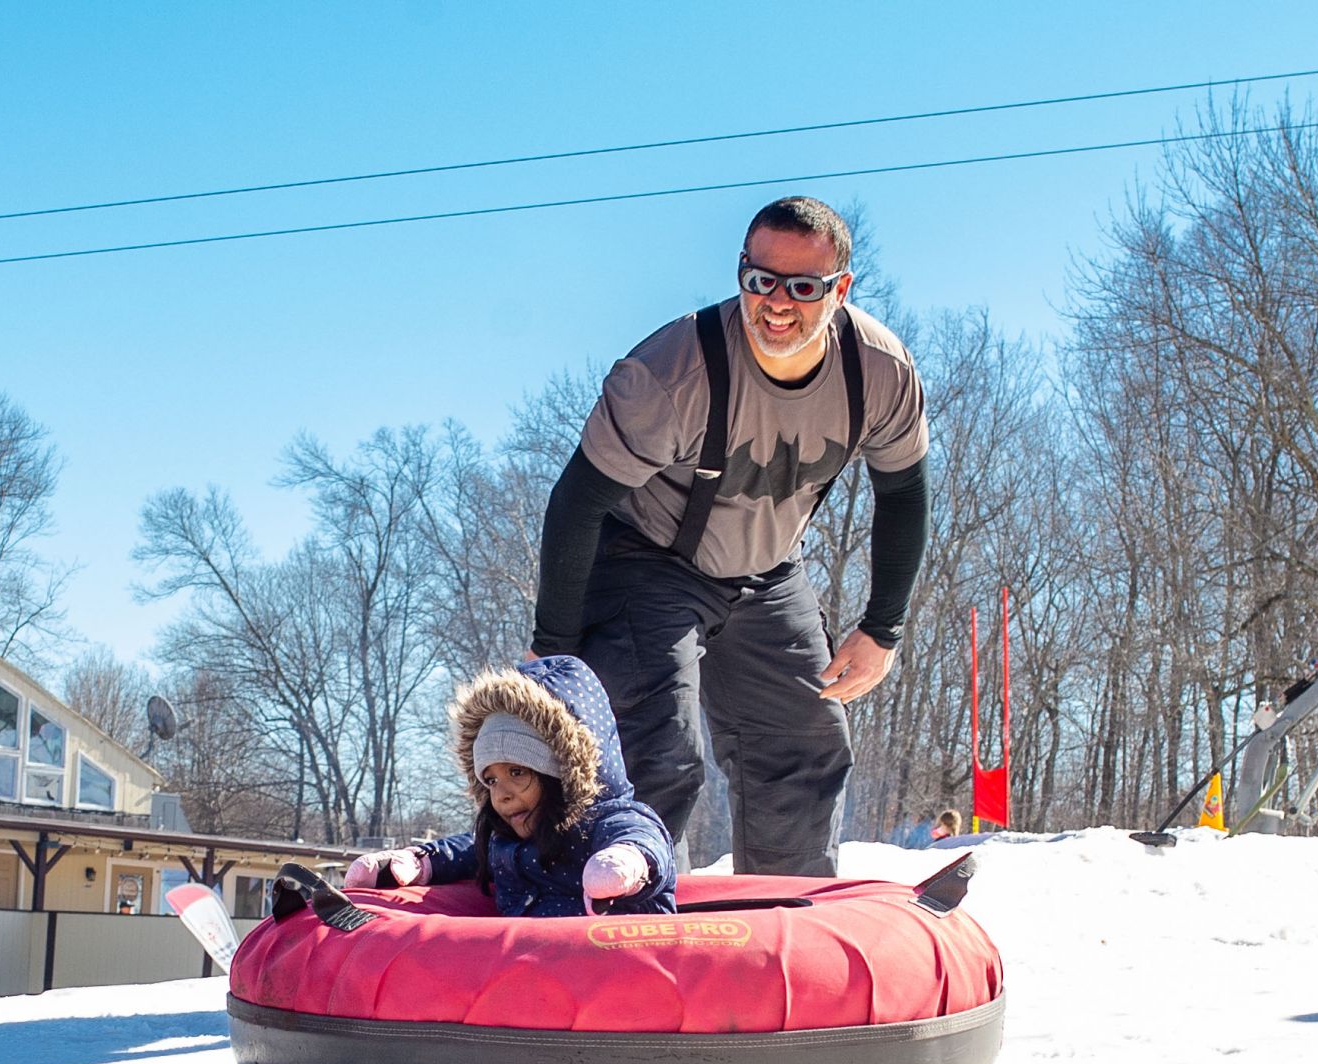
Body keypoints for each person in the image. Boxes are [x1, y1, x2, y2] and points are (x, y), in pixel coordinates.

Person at [528, 195, 930, 877]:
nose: (777, 304)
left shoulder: (879, 373)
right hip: (647, 562)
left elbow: (903, 493)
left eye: (803, 288)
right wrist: (556, 656)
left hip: (770, 572)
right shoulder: (670, 373)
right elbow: (576, 503)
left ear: (841, 290)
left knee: (806, 739)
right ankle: (636, 918)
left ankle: (782, 926)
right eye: (759, 280)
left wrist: (882, 627)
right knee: (662, 750)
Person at [346, 655, 677, 917]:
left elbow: (643, 837)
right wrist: (421, 862)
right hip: (532, 974)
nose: (502, 794)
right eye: (490, 780)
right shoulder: (505, 842)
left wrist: (627, 862)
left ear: (561, 772)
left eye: (517, 772)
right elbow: (467, 851)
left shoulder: (605, 823)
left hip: (611, 968)